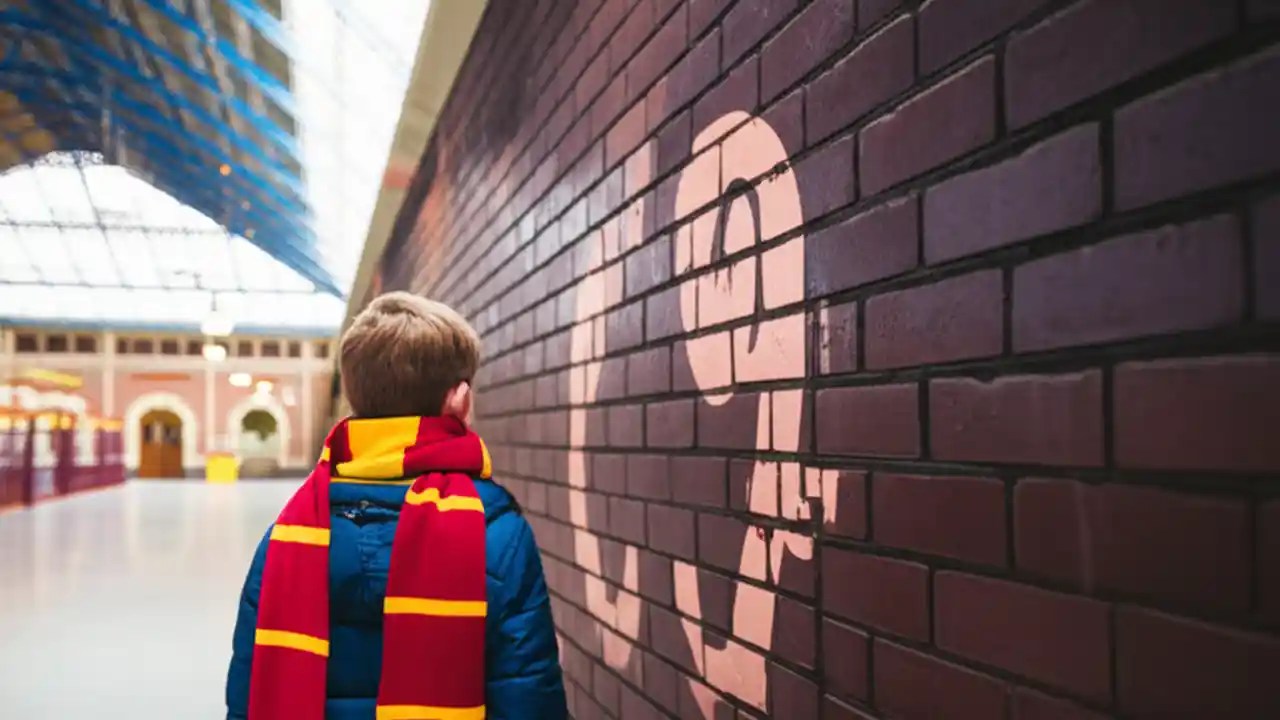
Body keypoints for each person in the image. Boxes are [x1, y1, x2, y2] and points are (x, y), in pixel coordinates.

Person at [226, 292, 567, 720]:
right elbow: (529, 693)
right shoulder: (495, 532)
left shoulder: (290, 533)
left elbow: (248, 689)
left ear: (355, 401)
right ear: (460, 401)